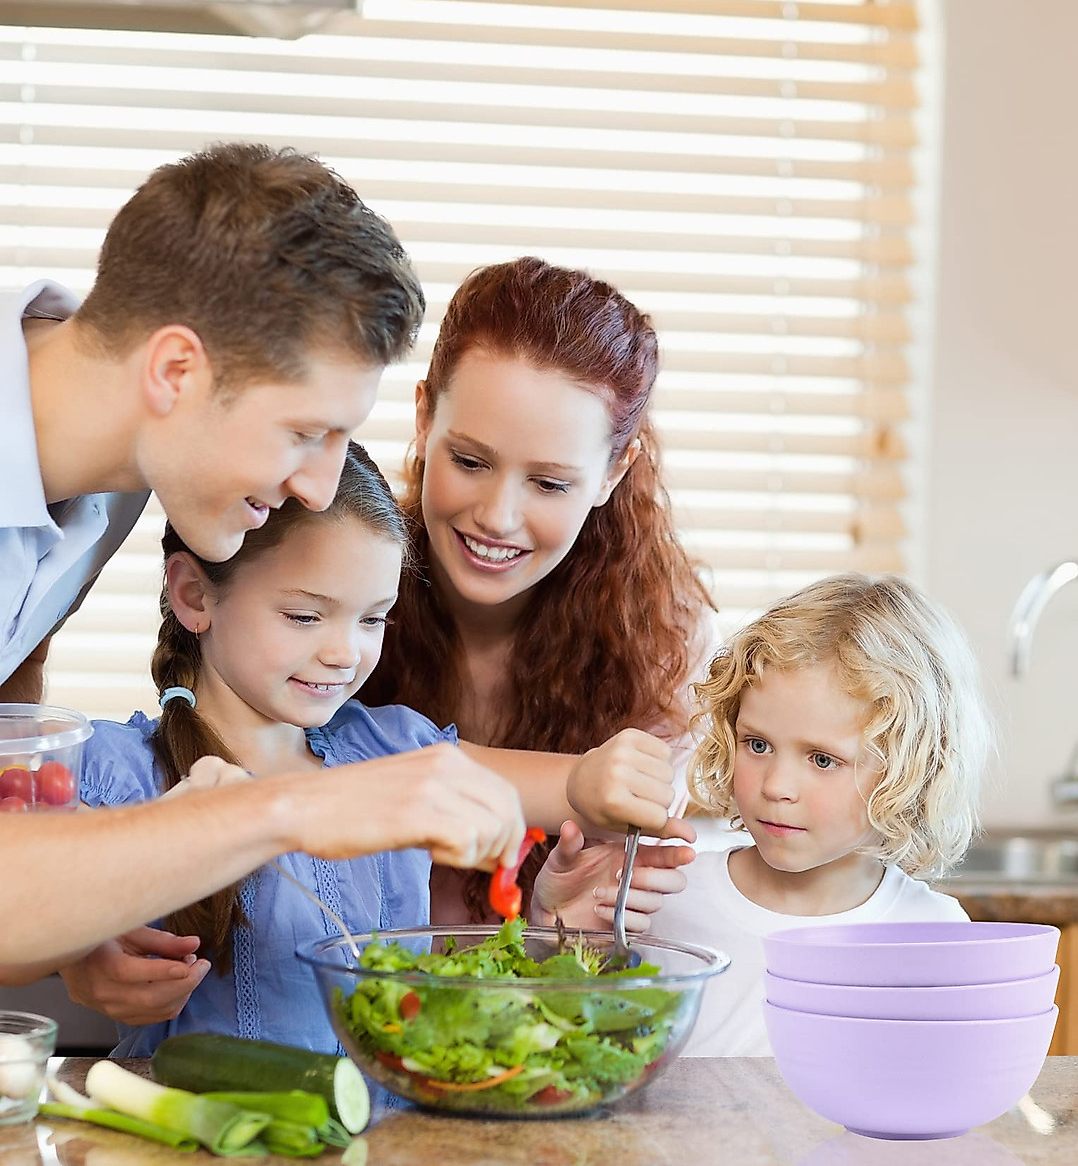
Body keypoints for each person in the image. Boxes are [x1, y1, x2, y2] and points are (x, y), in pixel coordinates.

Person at [0, 142, 513, 978]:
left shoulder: (122, 465)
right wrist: (287, 807)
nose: (318, 487)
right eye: (306, 434)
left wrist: (73, 923)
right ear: (175, 370)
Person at [60, 443, 693, 1052]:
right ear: (195, 596)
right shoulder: (114, 771)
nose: (345, 654)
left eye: (372, 619)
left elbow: (569, 789)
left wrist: (599, 796)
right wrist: (77, 948)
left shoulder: (391, 748)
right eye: (305, 616)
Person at [357, 256, 720, 921]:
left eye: (550, 483)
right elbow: (305, 779)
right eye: (469, 461)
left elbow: (583, 957)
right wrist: (571, 786)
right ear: (423, 417)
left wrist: (556, 932)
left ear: (615, 472)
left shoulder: (665, 642)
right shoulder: (335, 576)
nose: (497, 516)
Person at [650, 574, 994, 1057]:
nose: (775, 786)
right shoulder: (664, 899)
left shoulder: (936, 937)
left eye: (822, 759)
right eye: (758, 744)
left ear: (911, 767)